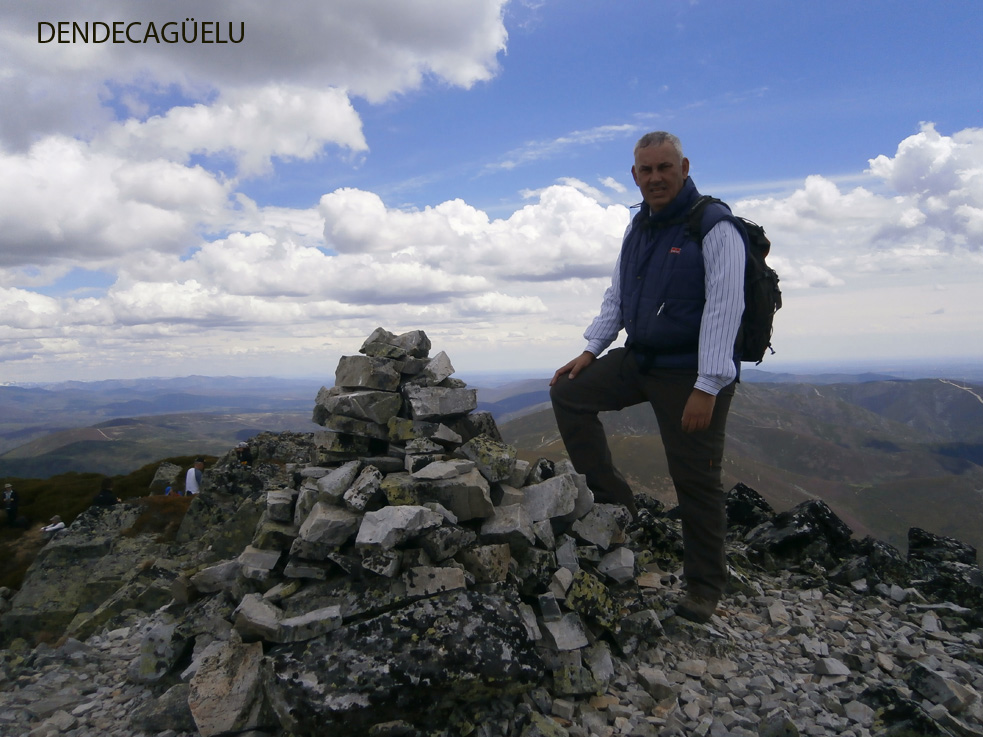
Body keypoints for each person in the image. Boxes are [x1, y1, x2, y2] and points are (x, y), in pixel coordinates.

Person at [549, 131, 747, 625]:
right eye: (646, 169)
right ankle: (618, 505)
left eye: (664, 167)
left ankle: (704, 586)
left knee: (695, 481)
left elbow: (727, 308)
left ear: (684, 166)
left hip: (690, 373)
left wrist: (708, 386)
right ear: (634, 174)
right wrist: (592, 348)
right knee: (570, 393)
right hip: (641, 359)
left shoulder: (714, 226)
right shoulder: (638, 227)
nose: (655, 177)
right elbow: (617, 296)